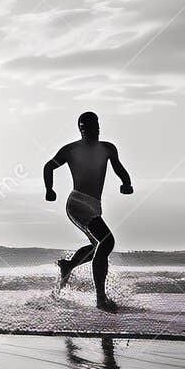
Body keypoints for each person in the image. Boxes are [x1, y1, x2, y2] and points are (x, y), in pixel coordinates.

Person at [44, 110, 132, 309]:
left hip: (93, 205)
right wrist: (49, 189)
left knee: (97, 246)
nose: (95, 131)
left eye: (97, 126)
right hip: (77, 203)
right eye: (89, 128)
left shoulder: (108, 149)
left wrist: (126, 182)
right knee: (107, 241)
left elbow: (118, 167)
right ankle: (101, 298)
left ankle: (69, 265)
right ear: (81, 129)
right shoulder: (71, 150)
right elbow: (49, 166)